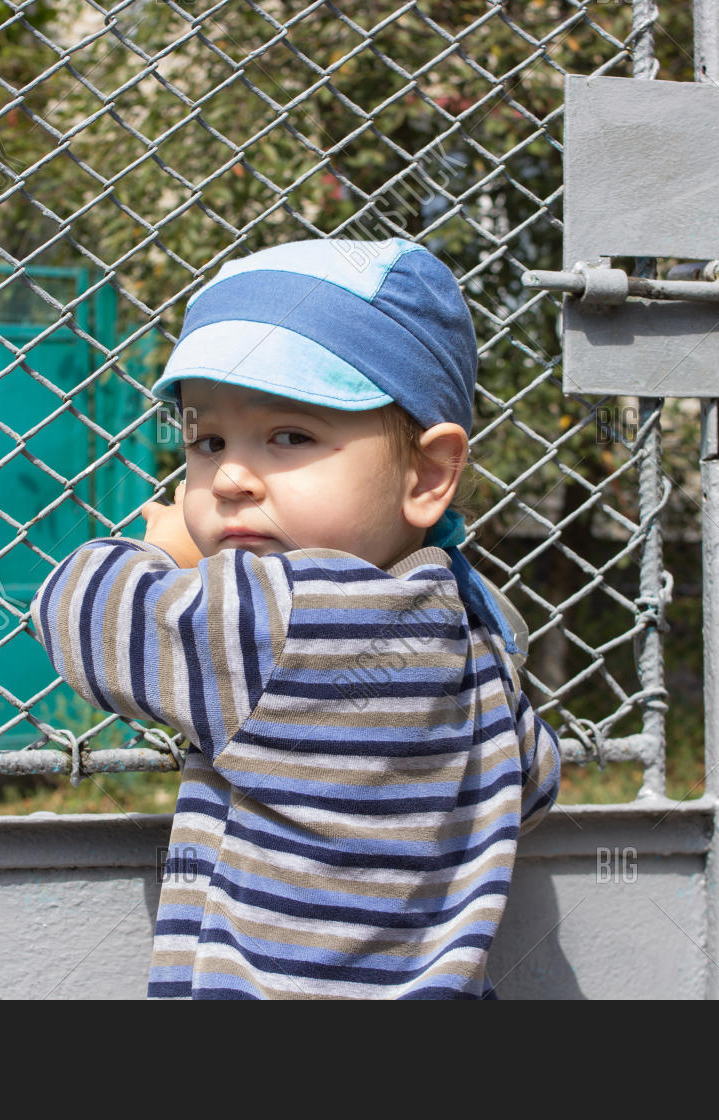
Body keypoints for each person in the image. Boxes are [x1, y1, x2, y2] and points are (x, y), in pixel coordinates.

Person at [29, 237, 561, 998]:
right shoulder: (481, 628)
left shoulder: (279, 618)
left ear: (429, 473)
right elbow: (535, 787)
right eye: (207, 442)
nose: (232, 478)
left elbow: (78, 610)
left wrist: (163, 545)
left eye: (290, 436)